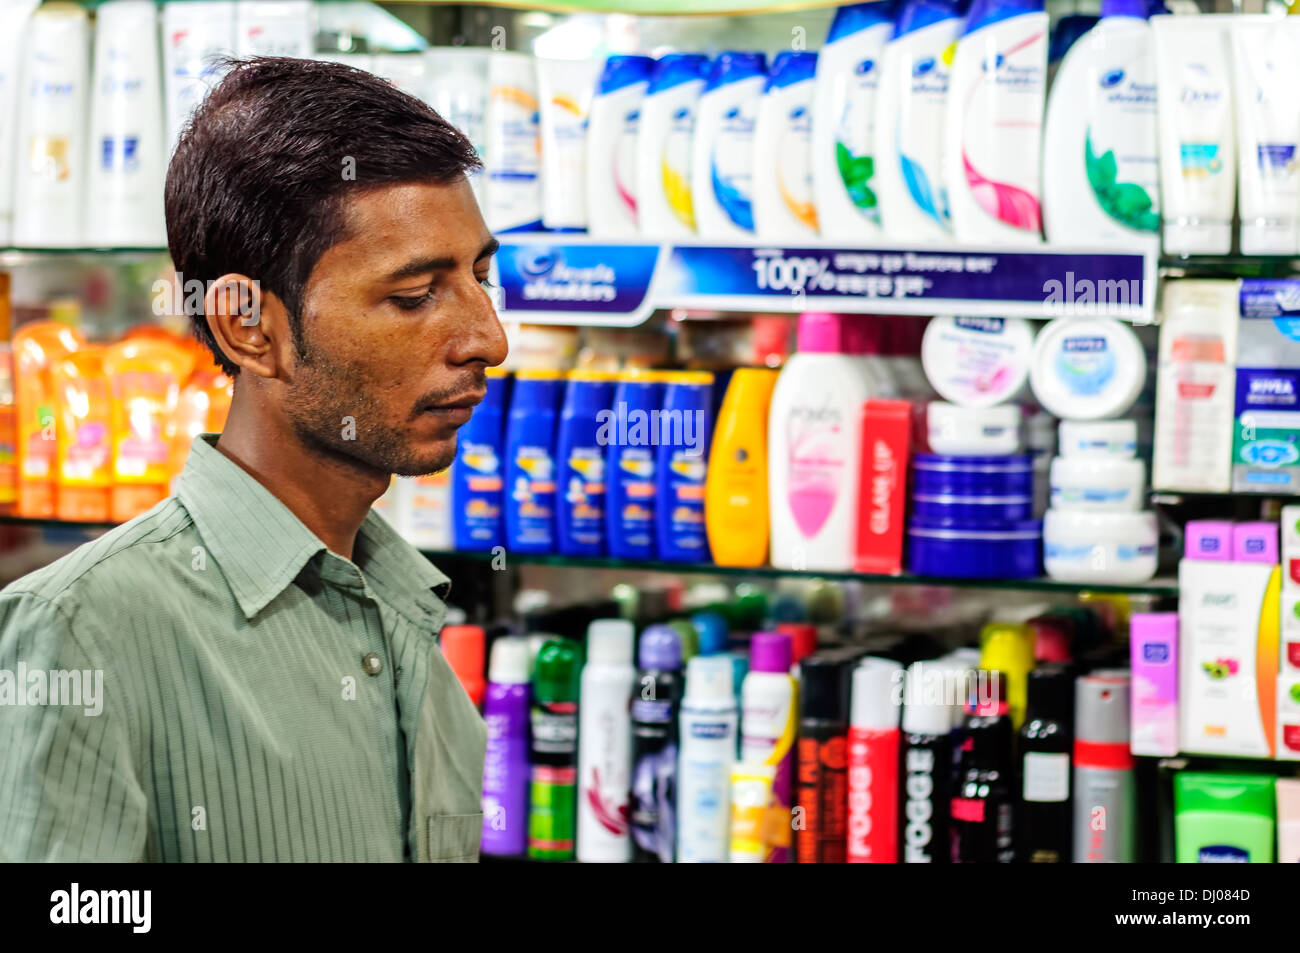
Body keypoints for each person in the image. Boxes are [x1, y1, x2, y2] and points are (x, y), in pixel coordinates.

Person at [0, 56, 507, 861]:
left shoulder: (403, 604)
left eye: (482, 275)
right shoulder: (85, 631)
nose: (489, 339)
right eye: (414, 296)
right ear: (247, 326)